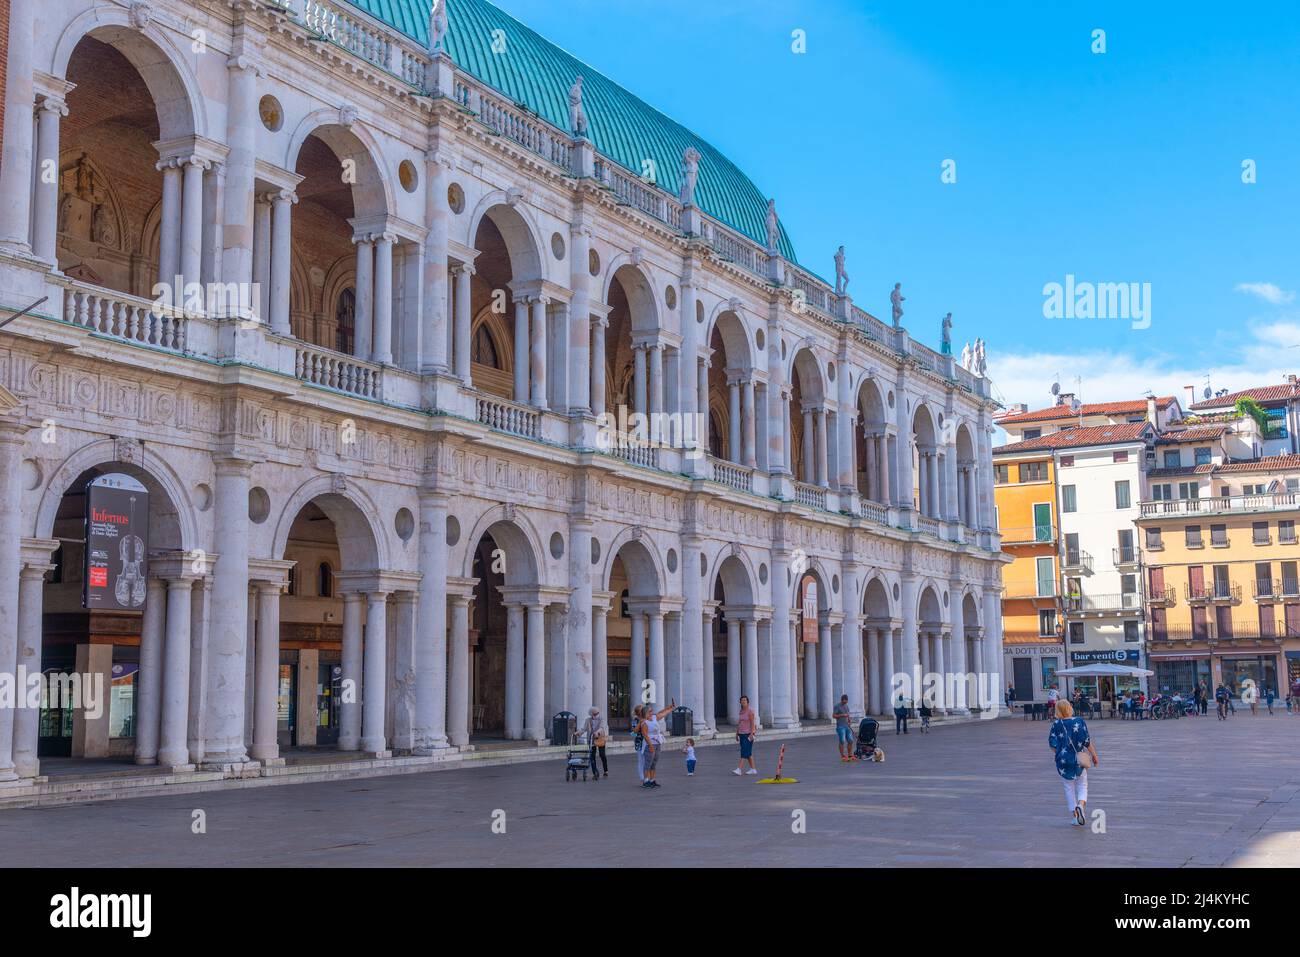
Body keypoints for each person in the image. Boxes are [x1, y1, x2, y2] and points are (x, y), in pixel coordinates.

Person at [1048, 699, 1099, 827]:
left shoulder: (1056, 724)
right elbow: (1087, 741)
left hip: (1063, 760)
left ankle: (1075, 817)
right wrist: (1094, 755)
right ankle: (1081, 806)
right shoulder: (1079, 721)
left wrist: (1060, 752)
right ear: (1070, 708)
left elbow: (1052, 745)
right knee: (1082, 785)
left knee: (1068, 788)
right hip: (1079, 759)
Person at [638, 699, 675, 789]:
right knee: (648, 763)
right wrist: (650, 746)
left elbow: (663, 713)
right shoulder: (644, 722)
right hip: (649, 744)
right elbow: (645, 736)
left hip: (657, 742)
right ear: (646, 712)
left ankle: (652, 780)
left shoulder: (654, 718)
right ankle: (645, 781)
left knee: (654, 763)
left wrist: (671, 708)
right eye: (650, 711)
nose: (652, 712)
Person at [732, 695, 759, 775]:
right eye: (742, 700)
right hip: (741, 734)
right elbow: (740, 723)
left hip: (748, 734)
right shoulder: (741, 711)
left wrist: (752, 733)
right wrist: (737, 733)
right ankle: (753, 769)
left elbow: (752, 723)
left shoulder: (750, 711)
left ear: (748, 702)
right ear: (740, 702)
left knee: (744, 751)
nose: (743, 701)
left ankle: (739, 769)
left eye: (745, 700)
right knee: (748, 752)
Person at [583, 707, 608, 780]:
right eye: (595, 714)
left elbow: (602, 727)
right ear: (591, 714)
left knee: (602, 755)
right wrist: (578, 733)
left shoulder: (601, 719)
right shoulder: (588, 720)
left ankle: (605, 770)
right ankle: (595, 772)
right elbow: (584, 729)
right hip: (591, 739)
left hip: (600, 738)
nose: (597, 715)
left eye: (597, 713)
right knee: (592, 756)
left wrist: (597, 732)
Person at [833, 694, 855, 761]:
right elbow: (834, 715)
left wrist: (849, 720)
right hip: (840, 726)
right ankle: (842, 755)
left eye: (846, 702)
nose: (844, 703)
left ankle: (850, 754)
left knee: (851, 740)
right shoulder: (837, 706)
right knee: (842, 740)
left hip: (847, 726)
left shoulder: (847, 706)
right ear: (841, 700)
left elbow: (848, 715)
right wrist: (842, 715)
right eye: (843, 702)